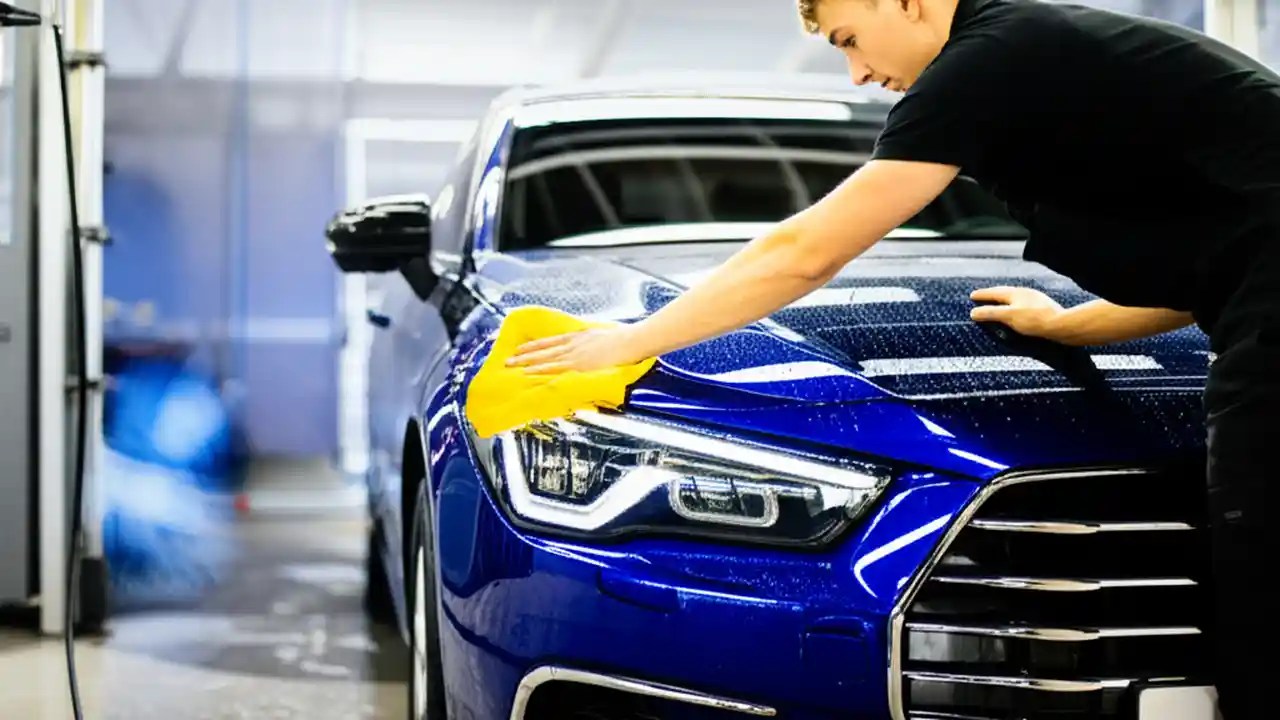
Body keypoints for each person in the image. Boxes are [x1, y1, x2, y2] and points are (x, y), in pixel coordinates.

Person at [506, 1, 1275, 715]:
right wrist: (1073, 327)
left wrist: (624, 342)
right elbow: (1219, 258)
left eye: (847, 39)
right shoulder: (1037, 66)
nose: (859, 72)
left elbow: (805, 251)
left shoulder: (988, 59)